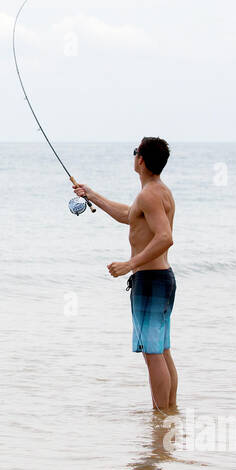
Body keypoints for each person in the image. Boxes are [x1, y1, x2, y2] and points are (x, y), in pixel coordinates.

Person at [73, 137, 178, 410]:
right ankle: (168, 416)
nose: (134, 157)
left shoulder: (149, 194)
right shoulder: (158, 191)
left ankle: (161, 417)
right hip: (161, 279)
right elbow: (128, 215)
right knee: (162, 351)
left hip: (151, 281)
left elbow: (165, 237)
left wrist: (129, 265)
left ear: (140, 160)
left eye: (135, 153)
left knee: (154, 354)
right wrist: (91, 195)